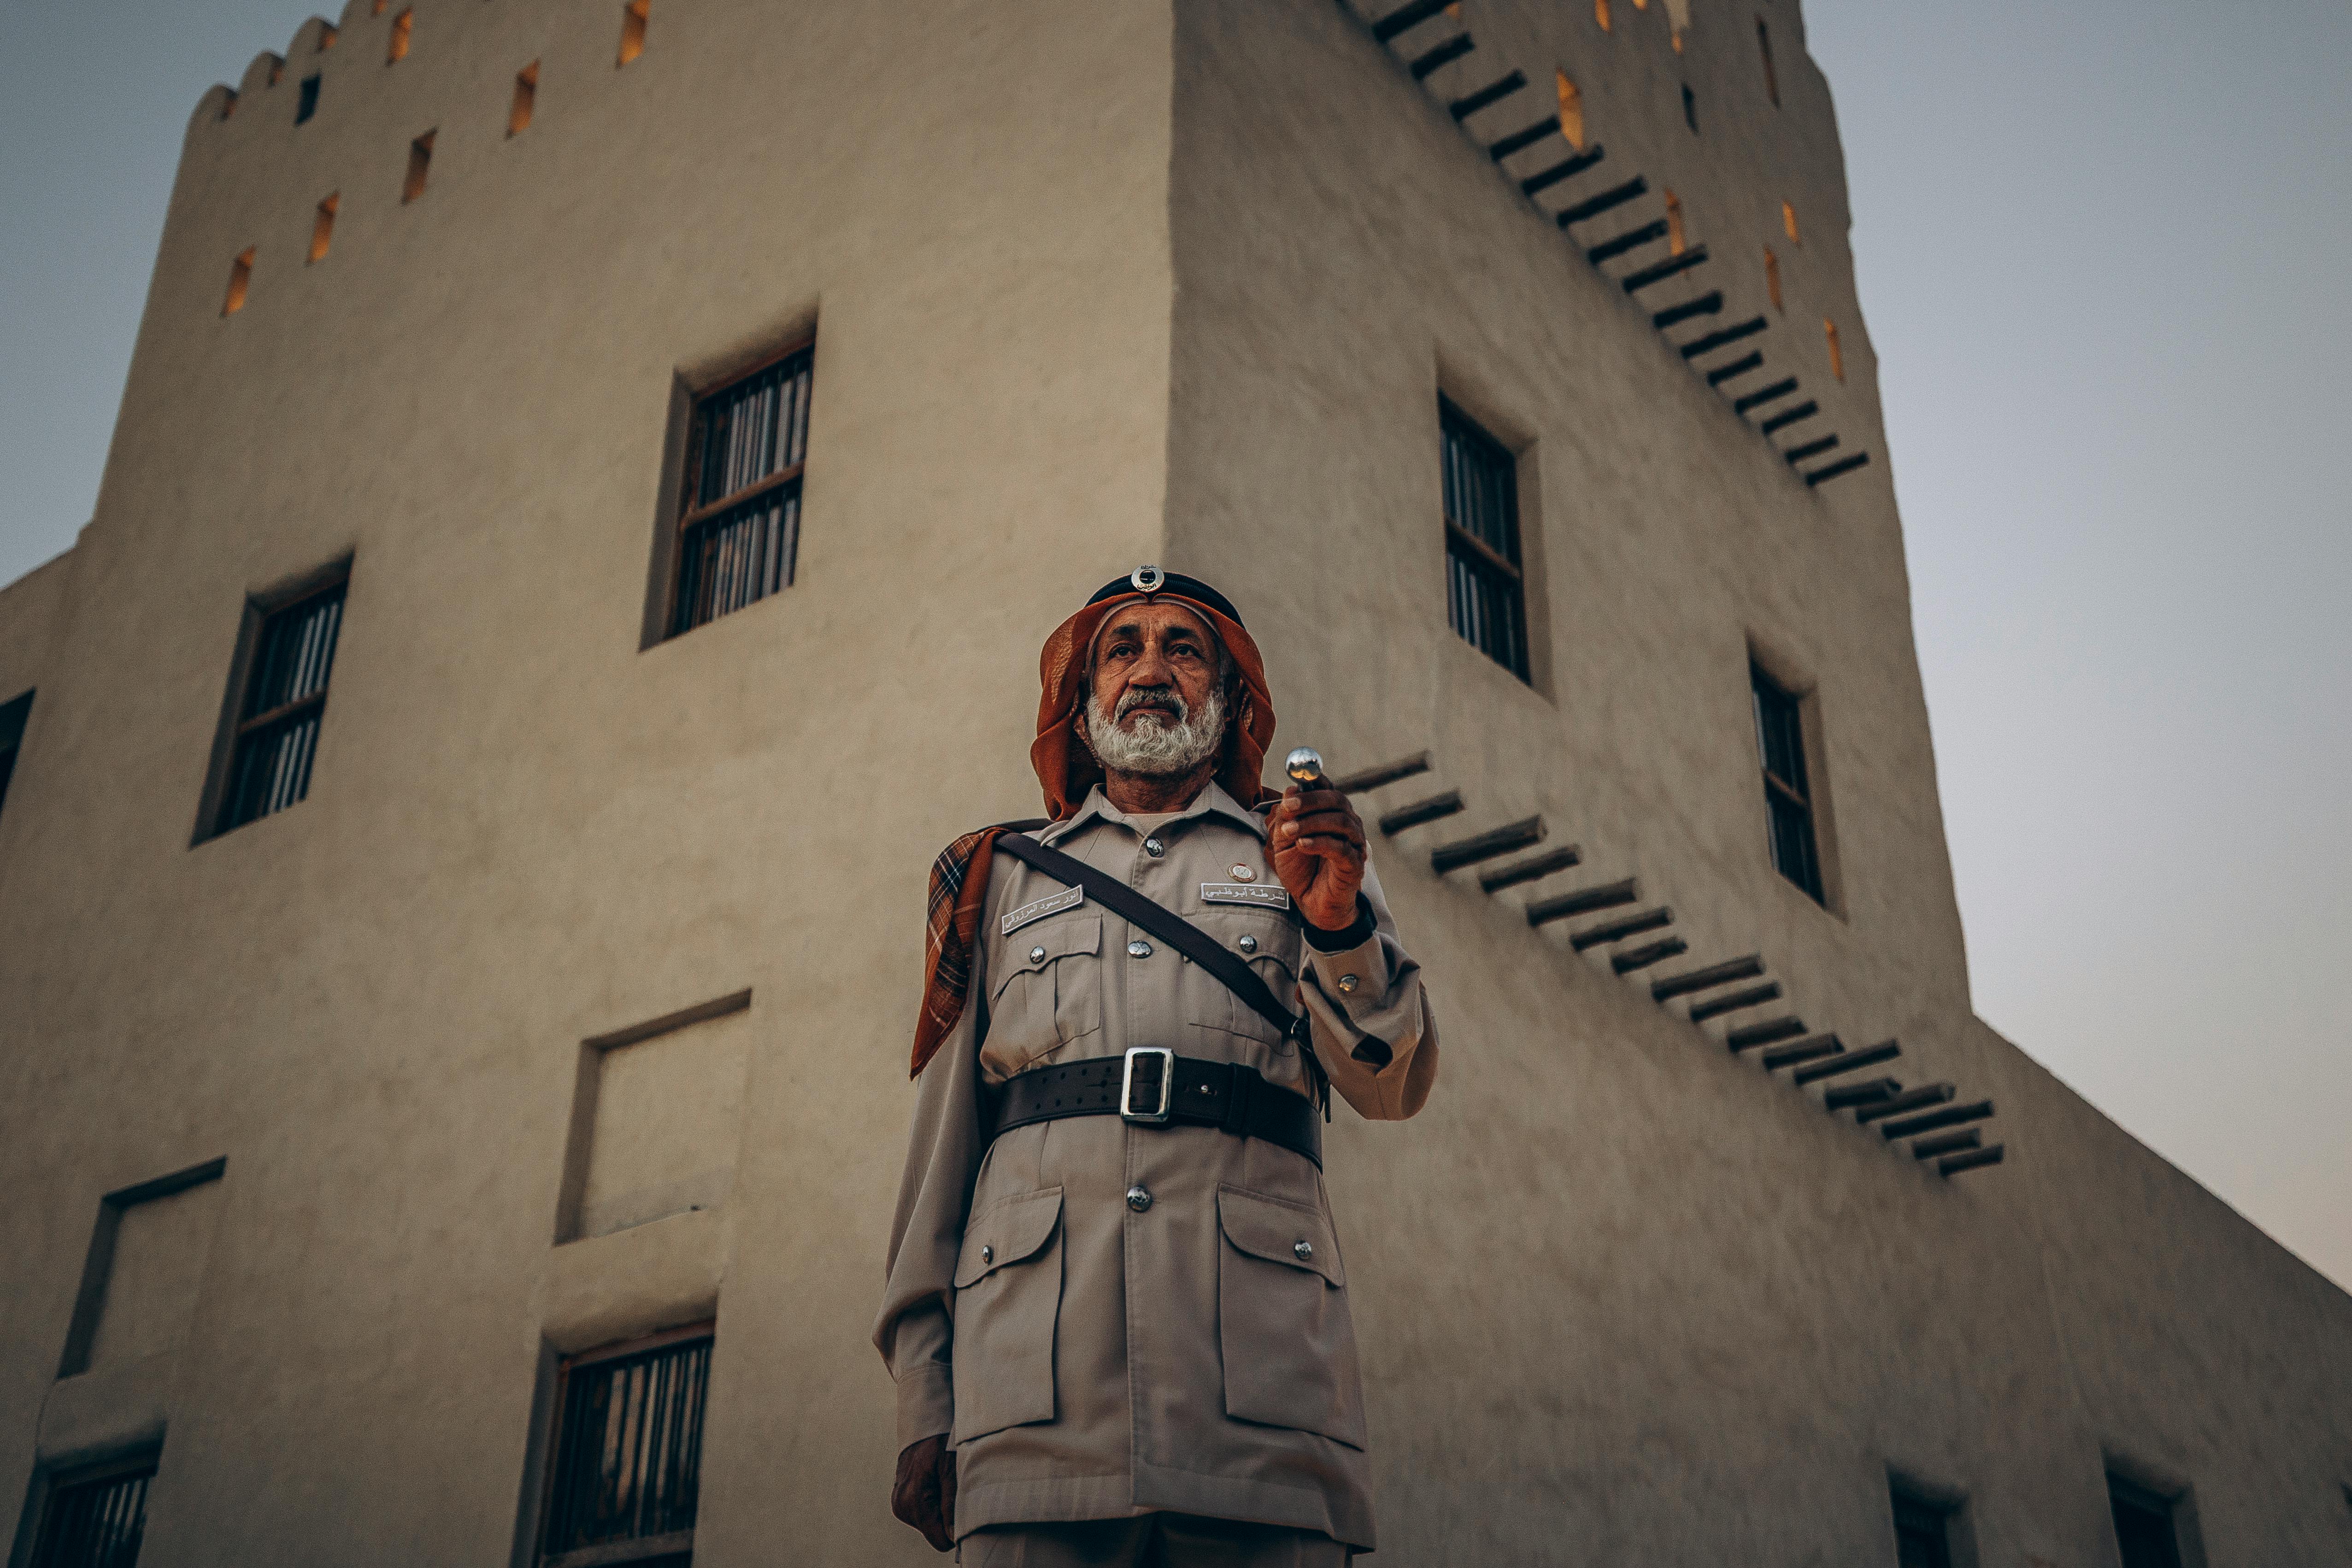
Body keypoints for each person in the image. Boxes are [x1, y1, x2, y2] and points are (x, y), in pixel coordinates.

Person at [876, 568, 1439, 1564]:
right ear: (1079, 705)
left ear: (1228, 702)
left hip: (1264, 1427)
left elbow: (1389, 1086)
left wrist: (1338, 923)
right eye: (1119, 650)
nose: (1148, 670)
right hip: (1029, 1423)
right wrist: (926, 1399)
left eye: (1182, 648)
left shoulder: (1301, 859)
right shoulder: (994, 878)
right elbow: (936, 1170)